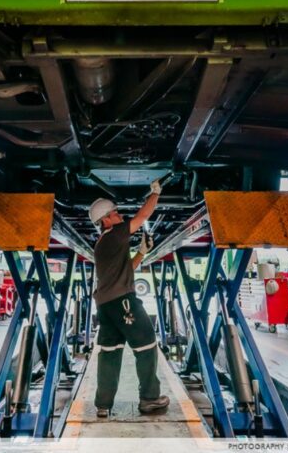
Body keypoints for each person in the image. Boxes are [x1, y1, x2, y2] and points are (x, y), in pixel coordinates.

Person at [88, 179, 169, 418]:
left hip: (106, 306)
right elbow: (142, 216)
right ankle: (150, 399)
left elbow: (127, 270)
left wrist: (142, 252)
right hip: (123, 302)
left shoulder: (104, 244)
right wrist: (155, 193)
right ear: (105, 221)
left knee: (110, 352)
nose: (119, 214)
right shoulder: (113, 235)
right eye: (114, 213)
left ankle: (103, 405)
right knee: (146, 344)